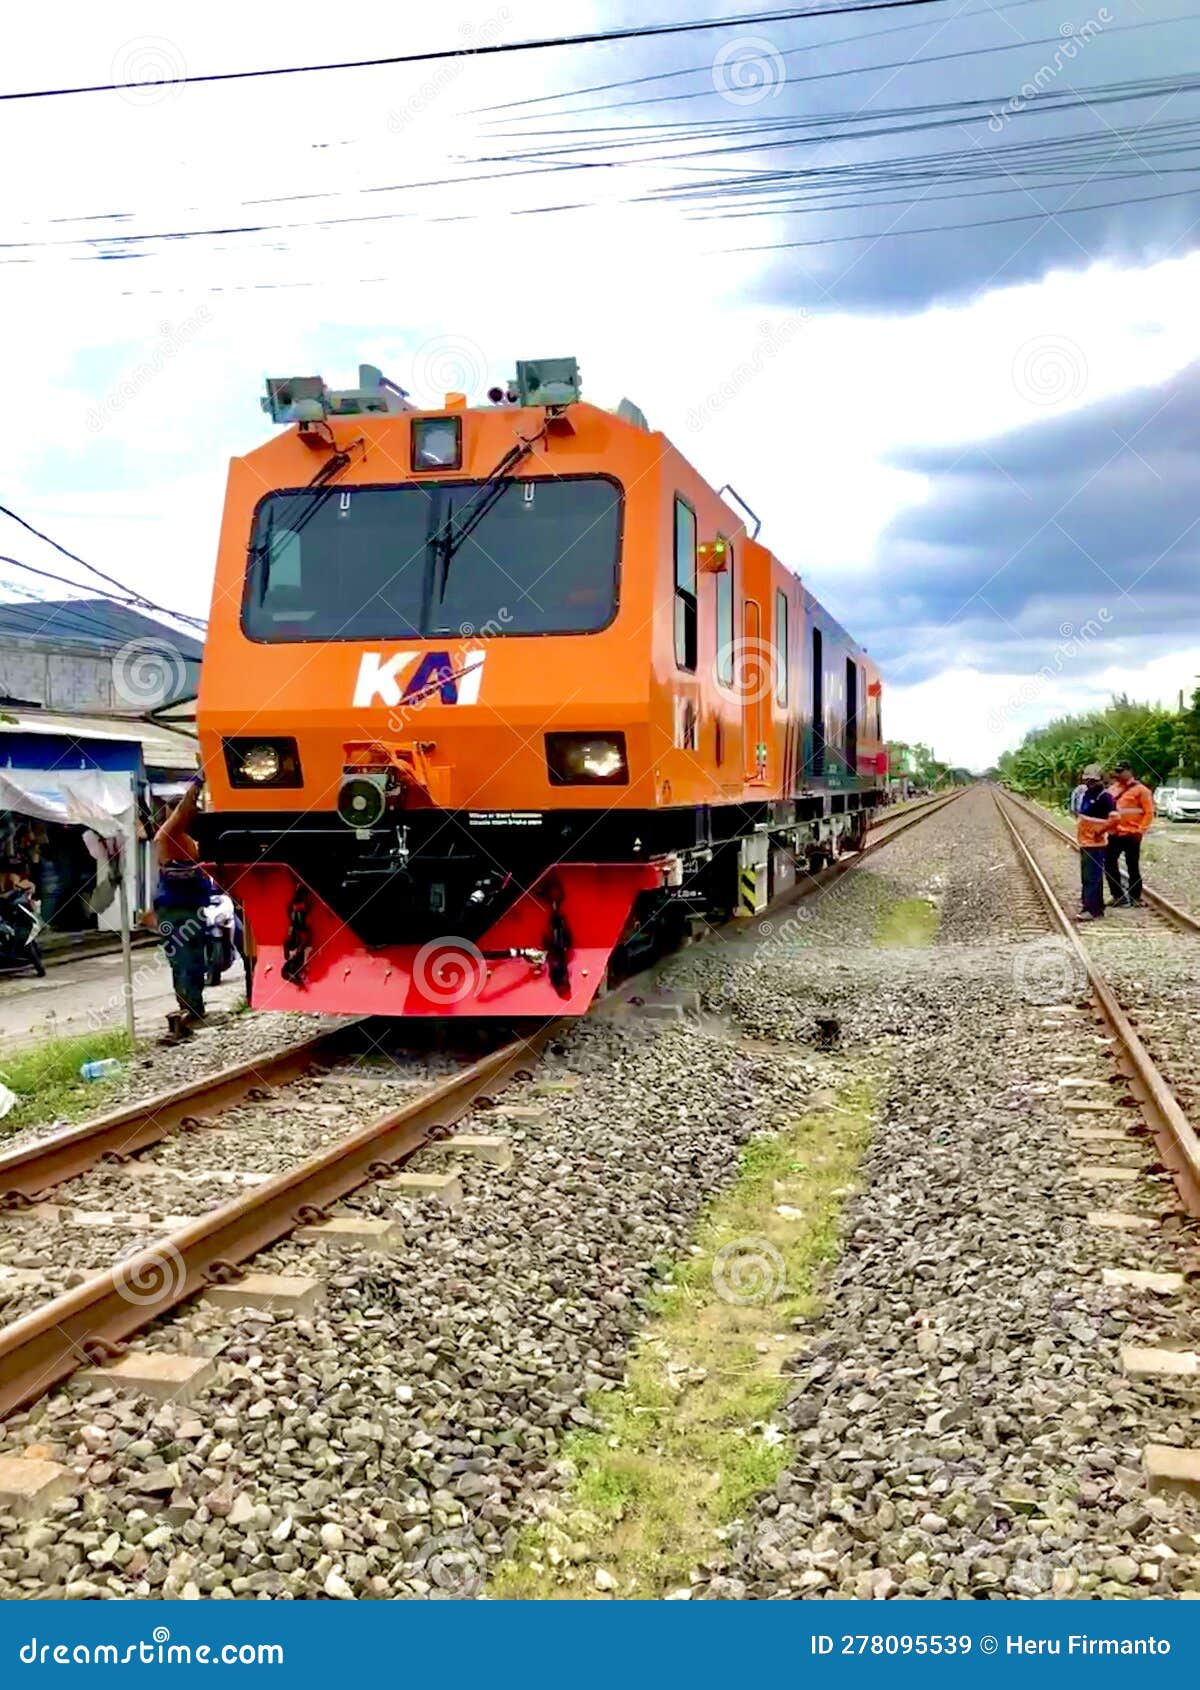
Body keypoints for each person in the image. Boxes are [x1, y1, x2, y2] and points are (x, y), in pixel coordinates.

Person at [153, 774, 214, 1041]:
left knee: (196, 961)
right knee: (183, 962)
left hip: (192, 908)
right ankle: (187, 1009)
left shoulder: (189, 839)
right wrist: (199, 781)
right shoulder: (168, 834)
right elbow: (184, 808)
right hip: (175, 911)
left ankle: (195, 1008)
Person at [1105, 761, 1154, 907]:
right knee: (1109, 863)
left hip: (1132, 835)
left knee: (1132, 865)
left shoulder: (1142, 790)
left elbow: (1149, 812)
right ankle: (1117, 895)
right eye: (1116, 771)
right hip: (1115, 834)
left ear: (1129, 771)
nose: (1118, 774)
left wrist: (1141, 830)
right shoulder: (1112, 790)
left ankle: (1135, 897)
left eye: (1121, 771)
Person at [1075, 765, 1115, 921]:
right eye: (1087, 780)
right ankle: (1097, 907)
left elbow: (1114, 819)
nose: (1089, 783)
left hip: (1096, 844)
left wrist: (1099, 832)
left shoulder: (1105, 797)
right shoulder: (1087, 794)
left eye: (1092, 780)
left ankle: (1090, 909)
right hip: (1086, 842)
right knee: (1090, 877)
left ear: (1100, 780)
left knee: (1091, 877)